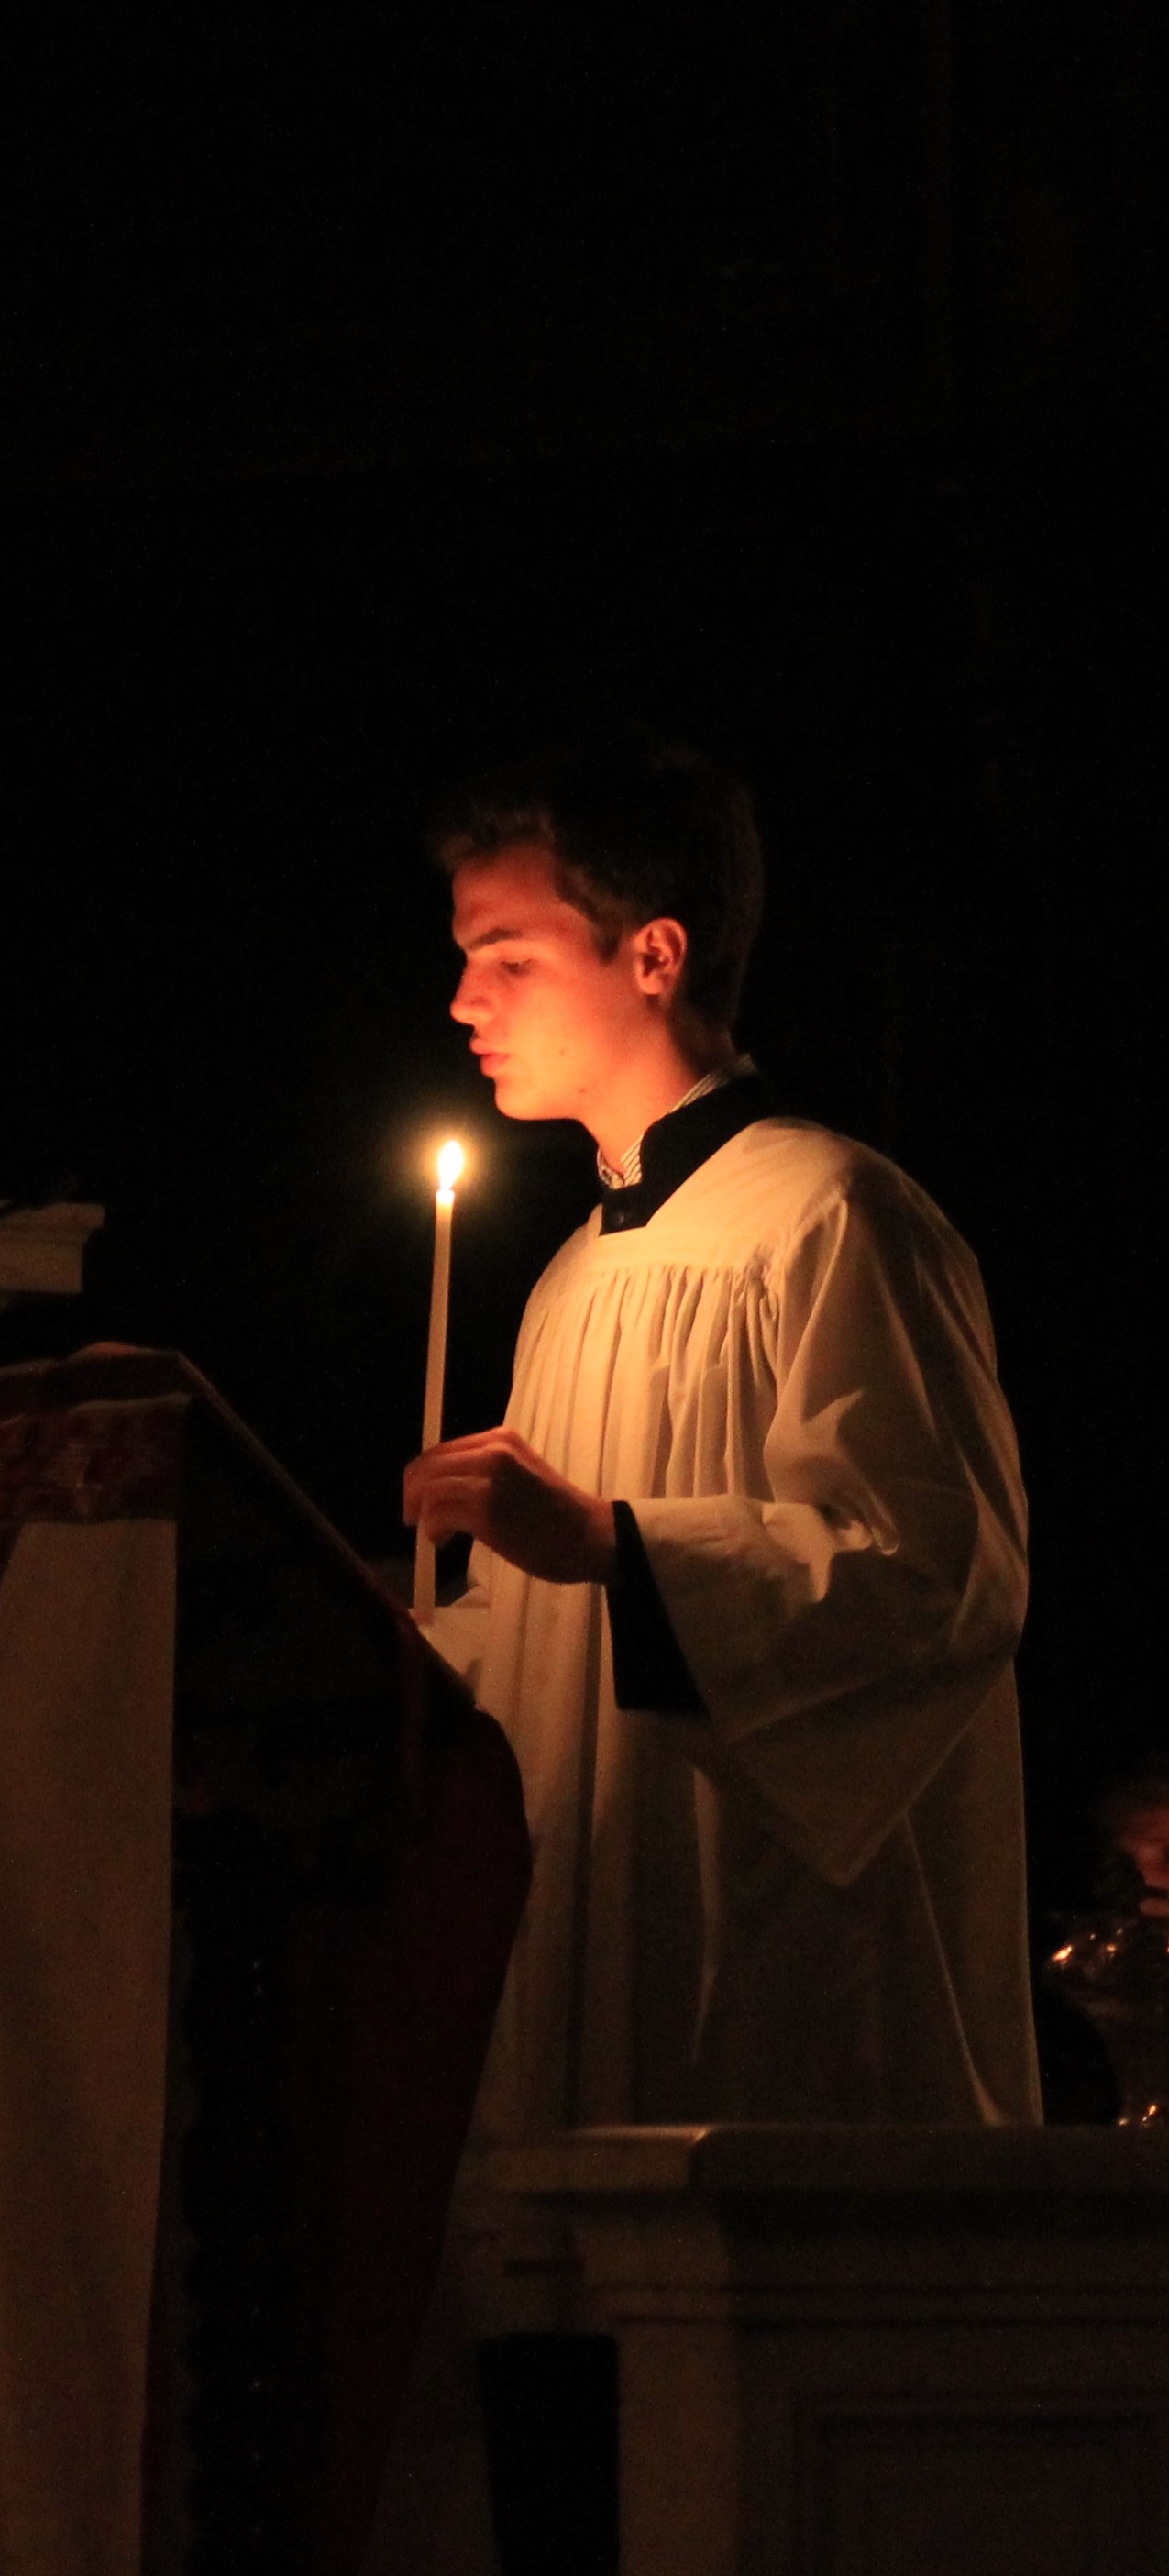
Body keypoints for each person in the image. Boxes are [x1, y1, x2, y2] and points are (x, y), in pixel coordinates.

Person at [404, 727, 1042, 2132]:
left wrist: (621, 1546)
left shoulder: (831, 1215)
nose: (462, 1000)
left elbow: (939, 1577)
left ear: (655, 954)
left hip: (770, 1965)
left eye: (507, 956)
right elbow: (545, 1642)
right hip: (588, 1917)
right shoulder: (576, 1271)